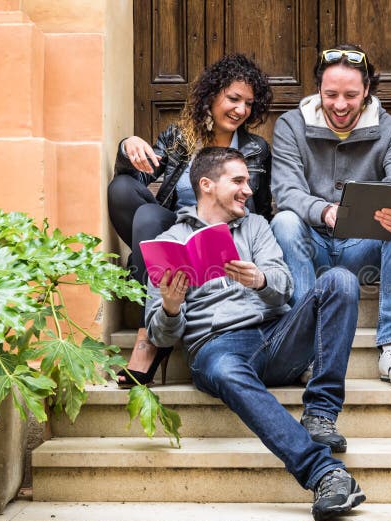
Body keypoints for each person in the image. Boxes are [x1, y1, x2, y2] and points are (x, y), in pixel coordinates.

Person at [145, 147, 365, 521]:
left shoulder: (257, 226)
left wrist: (260, 280)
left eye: (248, 181)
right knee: (228, 371)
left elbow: (284, 287)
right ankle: (324, 473)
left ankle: (320, 413)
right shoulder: (169, 242)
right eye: (239, 181)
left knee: (340, 281)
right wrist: (170, 306)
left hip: (273, 335)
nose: (249, 189)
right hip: (216, 349)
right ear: (207, 185)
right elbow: (161, 336)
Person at [108, 54, 273, 387]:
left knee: (147, 226)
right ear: (212, 95)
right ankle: (152, 322)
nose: (241, 110)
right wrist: (128, 148)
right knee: (127, 194)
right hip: (175, 230)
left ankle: (150, 341)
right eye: (233, 99)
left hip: (223, 239)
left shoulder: (256, 149)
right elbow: (141, 177)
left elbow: (261, 209)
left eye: (248, 104)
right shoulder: (180, 137)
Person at [269, 44, 391, 388]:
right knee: (284, 220)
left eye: (351, 95)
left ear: (367, 90)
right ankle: (305, 348)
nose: (340, 105)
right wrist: (324, 211)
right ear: (318, 89)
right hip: (309, 248)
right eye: (331, 94)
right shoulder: (291, 126)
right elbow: (285, 190)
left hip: (362, 250)